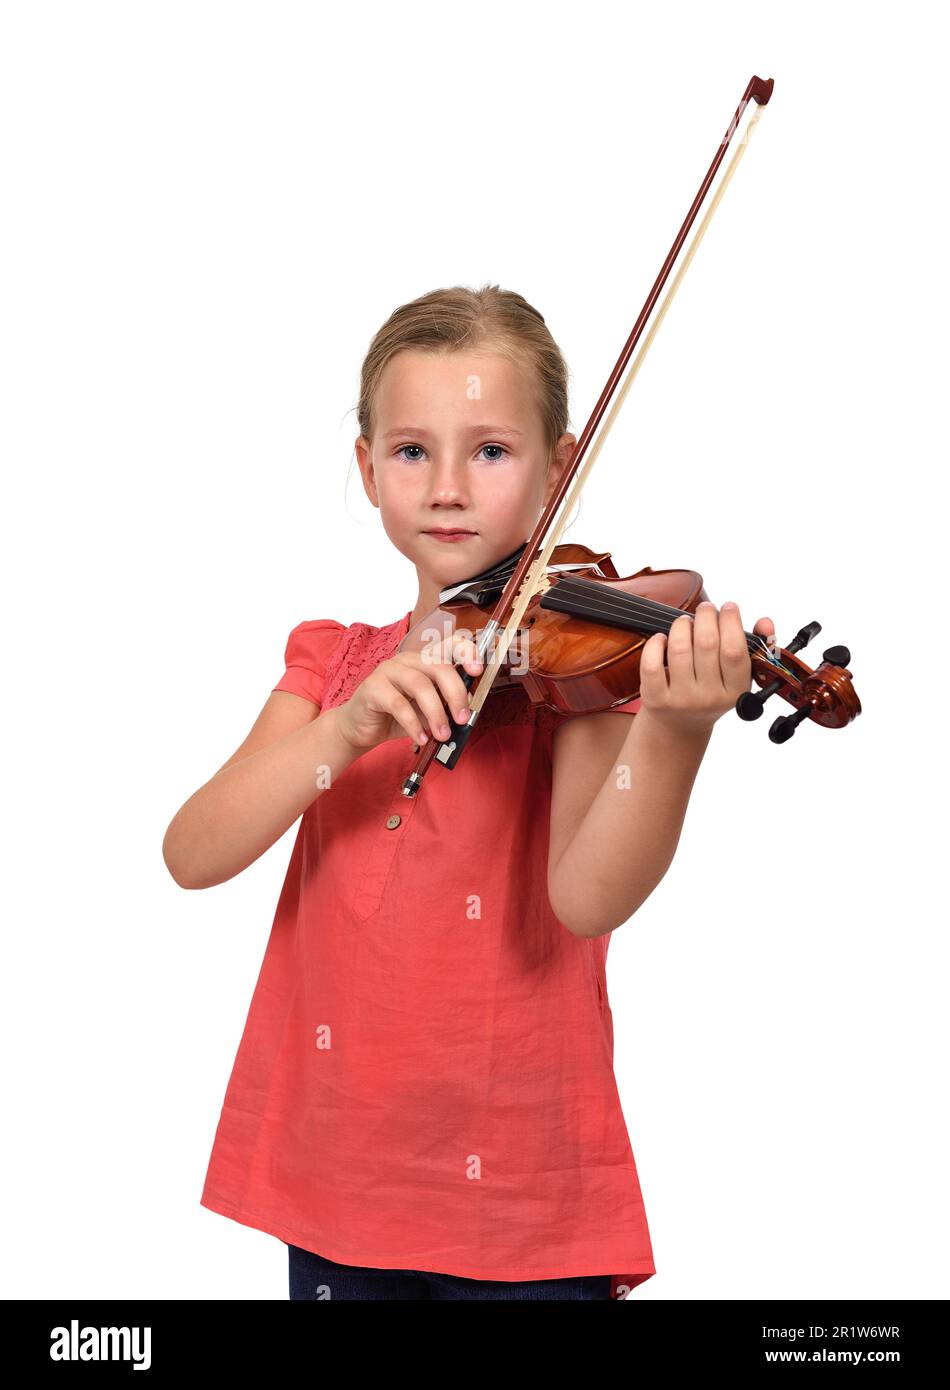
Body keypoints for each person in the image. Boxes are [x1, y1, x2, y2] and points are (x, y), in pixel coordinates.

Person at [163, 283, 773, 1301]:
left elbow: (586, 898)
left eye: (489, 450)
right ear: (366, 469)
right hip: (337, 1181)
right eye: (412, 451)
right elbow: (194, 851)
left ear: (557, 467)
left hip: (522, 1199)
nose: (447, 487)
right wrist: (348, 725)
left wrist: (670, 732)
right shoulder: (334, 663)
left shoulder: (573, 679)